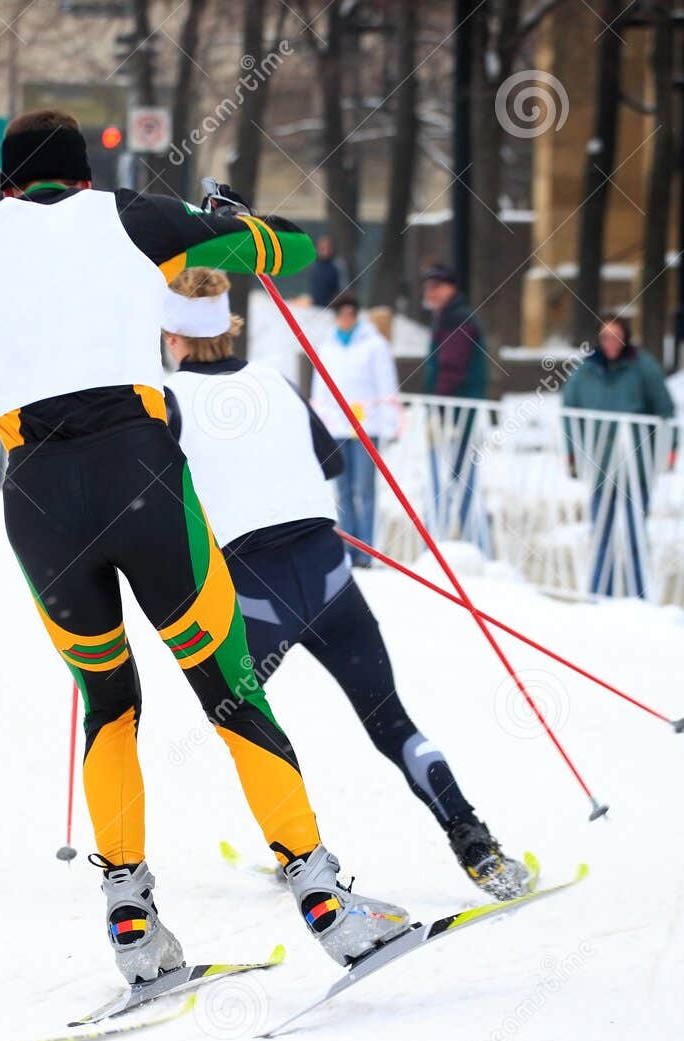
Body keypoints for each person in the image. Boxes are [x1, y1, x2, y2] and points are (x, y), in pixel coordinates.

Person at [0, 111, 410, 982]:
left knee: (108, 704)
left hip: (38, 500)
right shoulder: (129, 214)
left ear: (7, 182)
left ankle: (132, 926)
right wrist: (229, 219)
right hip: (142, 480)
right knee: (231, 693)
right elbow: (295, 252)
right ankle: (328, 905)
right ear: (83, 176)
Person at [161, 268, 531, 898]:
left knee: (243, 722)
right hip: (331, 579)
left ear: (174, 336)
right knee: (392, 723)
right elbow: (329, 461)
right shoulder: (273, 381)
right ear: (229, 326)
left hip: (257, 598)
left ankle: (303, 854)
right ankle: (478, 845)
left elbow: (162, 502)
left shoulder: (167, 400)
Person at [560, 315, 675, 599]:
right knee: (601, 532)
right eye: (606, 337)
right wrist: (573, 453)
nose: (611, 343)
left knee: (636, 533)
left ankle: (637, 594)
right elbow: (569, 413)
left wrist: (669, 449)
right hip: (600, 465)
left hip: (637, 465)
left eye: (617, 336)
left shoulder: (644, 368)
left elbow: (665, 410)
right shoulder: (585, 371)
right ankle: (600, 592)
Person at [312, 290, 399, 566]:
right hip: (337, 426)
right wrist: (320, 424)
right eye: (341, 313)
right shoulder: (327, 346)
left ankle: (368, 549)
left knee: (365, 488)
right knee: (344, 489)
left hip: (366, 425)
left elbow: (386, 383)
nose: (346, 318)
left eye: (350, 312)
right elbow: (320, 388)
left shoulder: (374, 345)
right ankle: (349, 545)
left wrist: (388, 423)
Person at [420, 264, 489, 549]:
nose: (429, 293)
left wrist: (438, 408)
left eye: (434, 287)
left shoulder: (457, 319)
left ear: (449, 288)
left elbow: (451, 368)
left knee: (458, 478)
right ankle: (463, 540)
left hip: (457, 414)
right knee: (457, 477)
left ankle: (466, 543)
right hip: (455, 413)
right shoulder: (448, 317)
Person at [307, 234, 342, 308]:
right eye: (322, 248)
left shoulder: (337, 266)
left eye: (328, 248)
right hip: (315, 308)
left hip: (333, 309)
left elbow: (343, 288)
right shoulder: (313, 266)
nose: (325, 251)